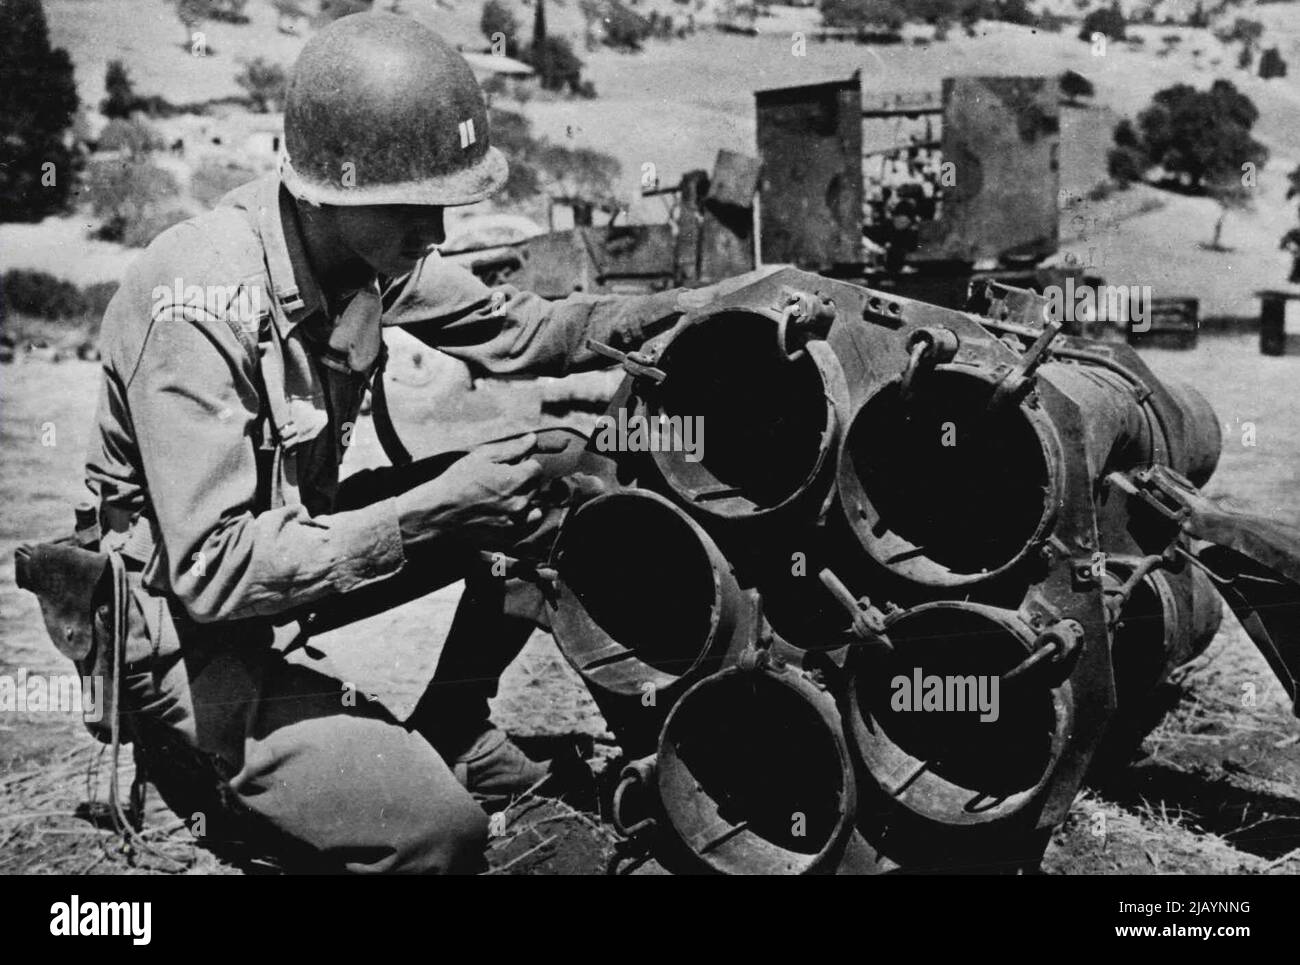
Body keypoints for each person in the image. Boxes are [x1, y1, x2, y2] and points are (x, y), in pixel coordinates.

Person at [85, 11, 701, 874]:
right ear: (337, 193)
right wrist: (435, 510)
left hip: (296, 546)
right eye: (419, 207)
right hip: (190, 640)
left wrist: (687, 312)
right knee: (438, 835)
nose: (439, 233)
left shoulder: (360, 251)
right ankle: (200, 765)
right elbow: (215, 572)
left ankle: (472, 725)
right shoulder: (197, 299)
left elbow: (519, 331)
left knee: (553, 468)